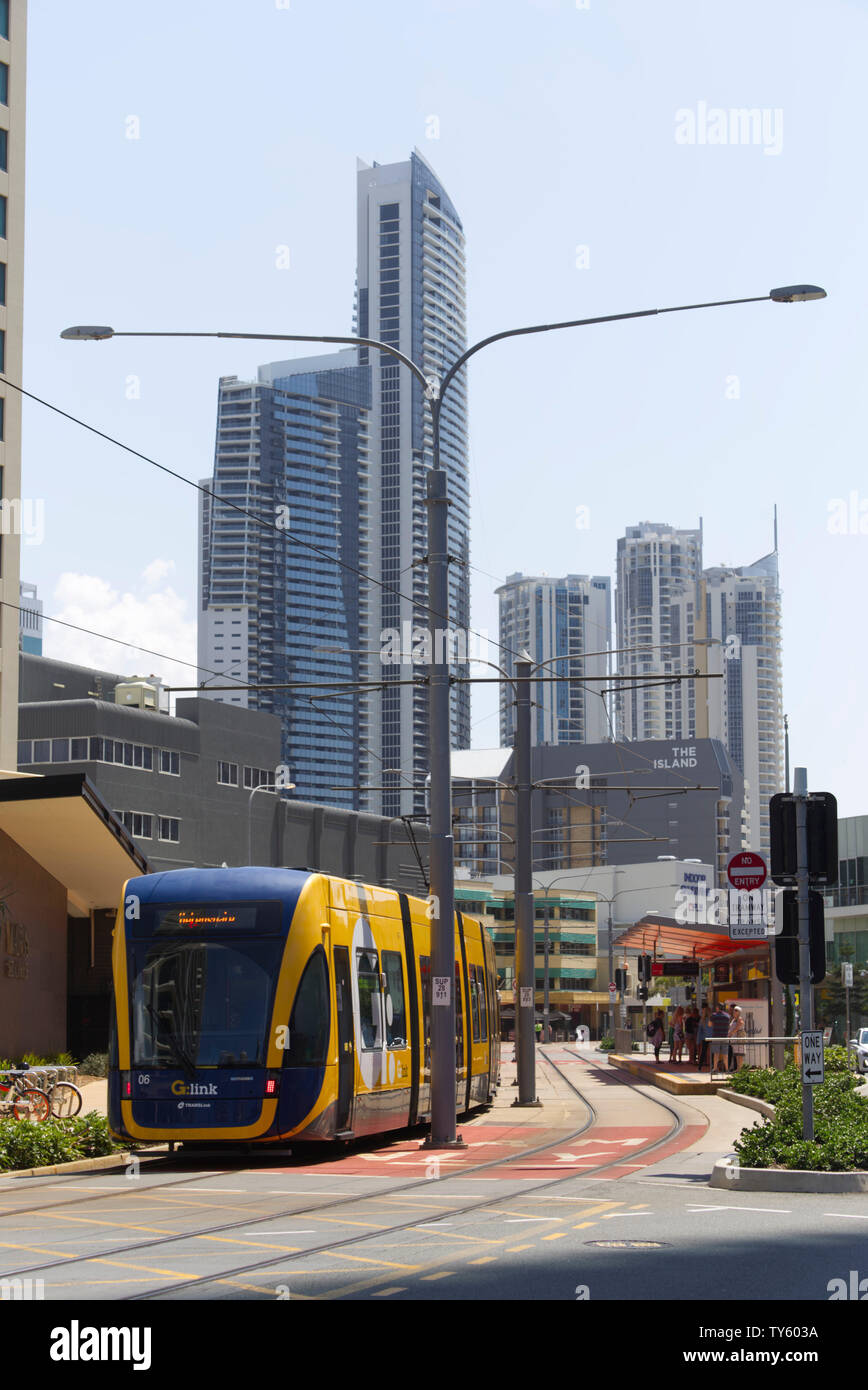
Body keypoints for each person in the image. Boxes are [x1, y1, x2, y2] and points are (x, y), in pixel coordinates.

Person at [710, 1001, 731, 1074]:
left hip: (716, 1036)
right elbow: (729, 1026)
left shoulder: (714, 1015)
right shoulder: (727, 1016)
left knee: (716, 1053)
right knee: (725, 1054)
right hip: (725, 1036)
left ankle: (715, 1069)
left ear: (718, 1007)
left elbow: (709, 1024)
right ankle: (727, 1069)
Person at [729, 1006, 747, 1072]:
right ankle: (738, 1069)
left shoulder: (740, 1019)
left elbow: (738, 1027)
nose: (734, 1011)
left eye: (736, 1010)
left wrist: (730, 1033)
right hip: (735, 1039)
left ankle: (740, 1069)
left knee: (740, 1055)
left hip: (739, 1038)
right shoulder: (733, 1019)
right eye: (734, 1010)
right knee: (737, 1054)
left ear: (739, 1012)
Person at [697, 1004, 712, 1070]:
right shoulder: (711, 1019)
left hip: (704, 1037)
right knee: (712, 1051)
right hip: (712, 1037)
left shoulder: (702, 1020)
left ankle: (700, 1066)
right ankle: (712, 1065)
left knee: (703, 1051)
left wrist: (698, 1040)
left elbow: (700, 1031)